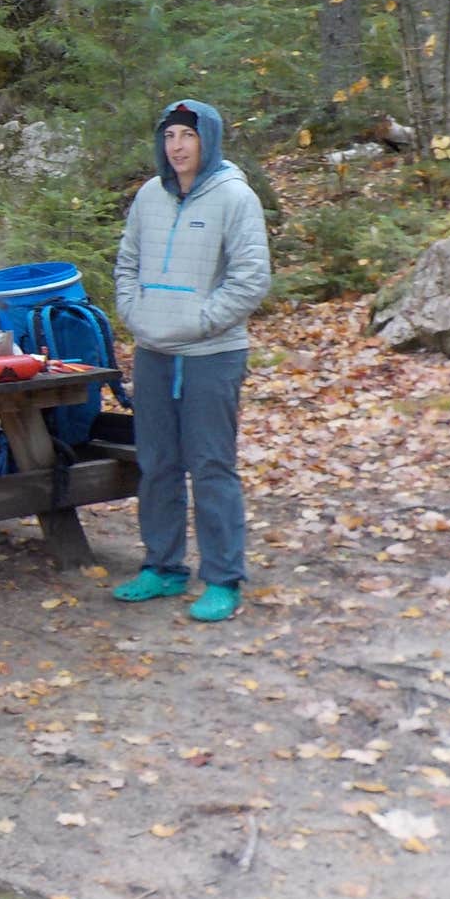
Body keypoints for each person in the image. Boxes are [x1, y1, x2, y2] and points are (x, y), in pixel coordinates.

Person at [111, 100, 270, 622]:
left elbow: (250, 280)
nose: (176, 146)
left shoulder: (235, 198)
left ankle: (223, 578)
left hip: (212, 356)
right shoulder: (149, 197)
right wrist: (136, 314)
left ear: (209, 140)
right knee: (157, 465)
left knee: (210, 467)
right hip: (154, 353)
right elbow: (127, 262)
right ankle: (163, 567)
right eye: (170, 135)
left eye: (188, 135)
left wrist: (198, 321)